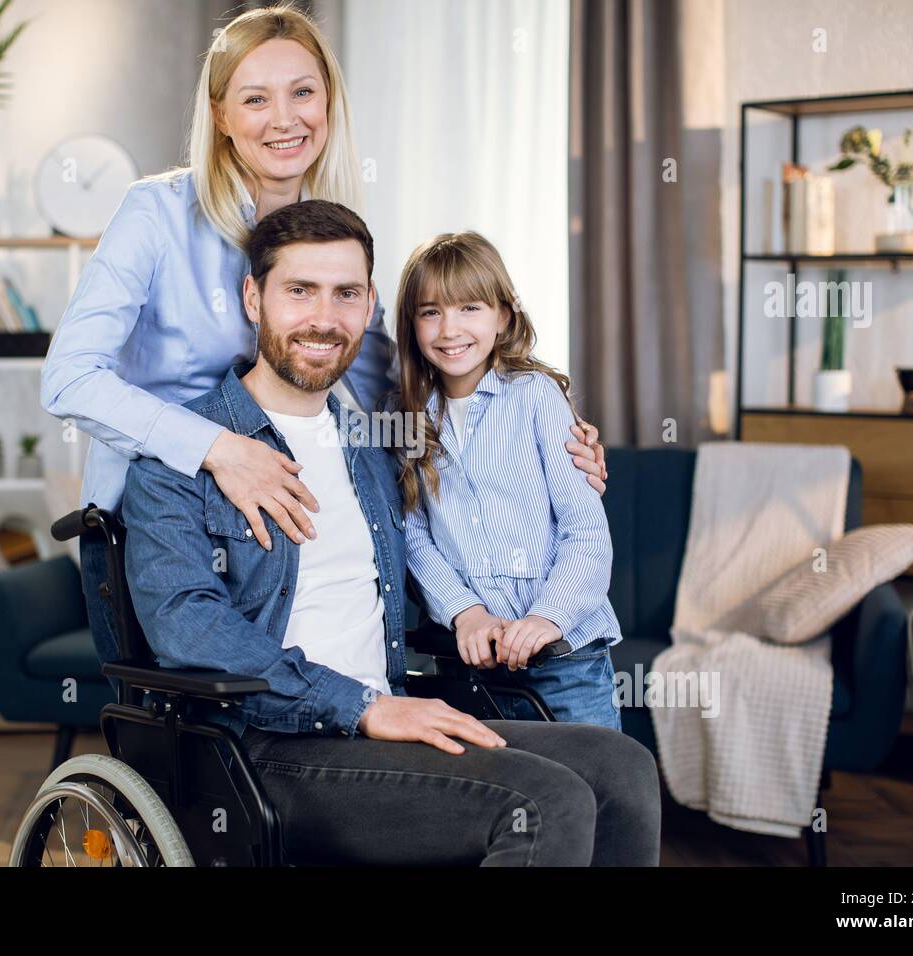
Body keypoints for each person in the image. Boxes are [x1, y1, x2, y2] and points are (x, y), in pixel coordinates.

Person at [39, 4, 606, 677]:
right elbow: (69, 378)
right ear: (220, 114)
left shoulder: (337, 237)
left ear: (329, 104)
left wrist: (536, 430)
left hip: (301, 507)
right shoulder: (155, 213)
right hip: (174, 515)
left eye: (303, 92)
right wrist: (220, 449)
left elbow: (385, 394)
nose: (285, 118)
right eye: (256, 98)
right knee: (209, 718)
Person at [121, 198, 660, 866]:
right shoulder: (184, 456)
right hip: (267, 747)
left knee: (622, 767)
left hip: (392, 721)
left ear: (370, 304)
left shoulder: (375, 443)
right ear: (253, 298)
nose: (324, 318)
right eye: (299, 292)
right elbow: (185, 624)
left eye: (345, 293)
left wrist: (576, 461)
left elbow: (450, 532)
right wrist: (359, 705)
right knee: (545, 802)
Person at [392, 232, 624, 730]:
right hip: (471, 664)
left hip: (566, 660)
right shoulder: (408, 416)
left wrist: (546, 618)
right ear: (411, 325)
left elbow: (585, 532)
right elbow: (414, 539)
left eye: (469, 307)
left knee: (600, 795)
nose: (449, 329)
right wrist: (465, 612)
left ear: (503, 316)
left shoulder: (535, 396)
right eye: (430, 311)